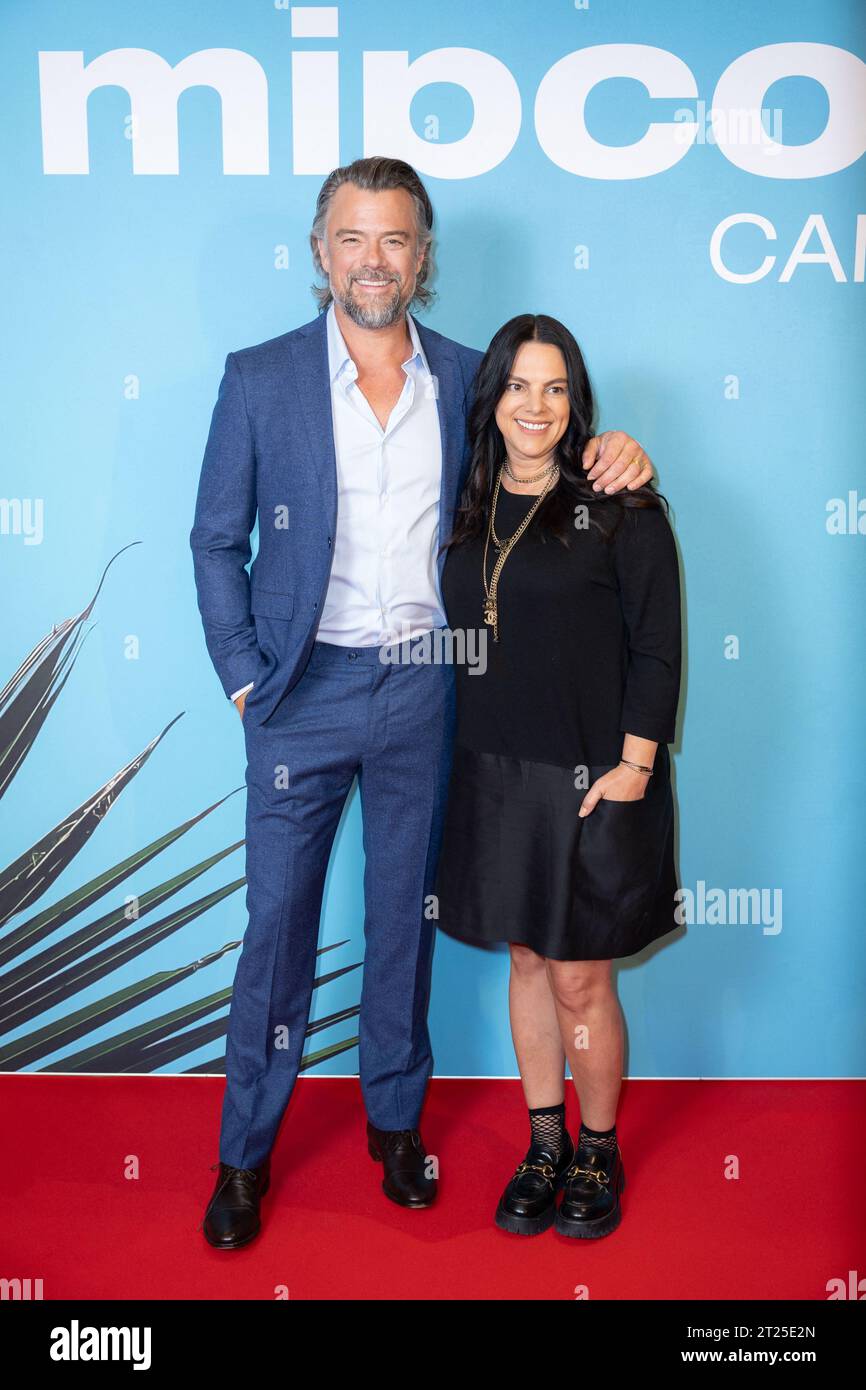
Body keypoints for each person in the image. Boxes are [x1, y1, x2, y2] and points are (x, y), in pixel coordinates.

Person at [189, 156, 654, 1249]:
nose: (372, 260)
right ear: (320, 252)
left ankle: (395, 1127)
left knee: (406, 918)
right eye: (352, 238)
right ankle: (243, 1154)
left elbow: (548, 460)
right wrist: (246, 675)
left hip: (429, 687)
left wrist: (619, 450)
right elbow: (215, 538)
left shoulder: (466, 379)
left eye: (395, 239)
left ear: (422, 256)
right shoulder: (258, 379)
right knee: (276, 931)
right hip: (298, 694)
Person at [435, 313, 682, 1240]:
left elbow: (658, 647)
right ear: (491, 397)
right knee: (529, 962)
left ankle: (599, 1147)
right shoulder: (463, 505)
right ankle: (545, 1146)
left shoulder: (621, 503)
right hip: (494, 778)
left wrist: (634, 767)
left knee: (583, 980)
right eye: (517, 386)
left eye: (555, 388)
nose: (535, 406)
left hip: (595, 779)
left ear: (576, 403)